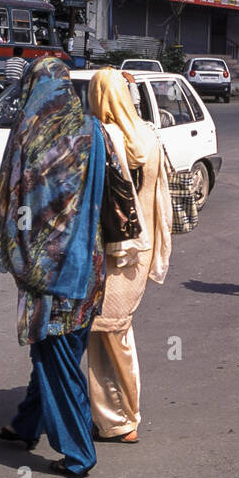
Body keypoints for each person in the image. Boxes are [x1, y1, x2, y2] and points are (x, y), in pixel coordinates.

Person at [0, 58, 106, 478]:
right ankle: (26, 425)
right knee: (53, 353)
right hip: (88, 267)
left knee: (57, 360)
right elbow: (107, 195)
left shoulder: (28, 133)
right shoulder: (95, 132)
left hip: (47, 275)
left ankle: (78, 455)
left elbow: (13, 203)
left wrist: (19, 253)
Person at [86, 69, 172, 444]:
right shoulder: (149, 136)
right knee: (114, 332)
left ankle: (122, 418)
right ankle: (115, 416)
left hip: (112, 252)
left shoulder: (104, 137)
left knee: (105, 333)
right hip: (141, 248)